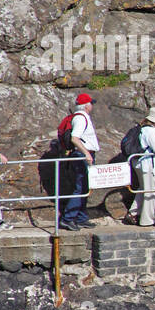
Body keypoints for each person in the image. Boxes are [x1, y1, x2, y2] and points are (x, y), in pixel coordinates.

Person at [60, 93, 99, 230]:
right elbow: (74, 138)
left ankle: (81, 217)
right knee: (80, 188)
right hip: (81, 156)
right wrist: (86, 153)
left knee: (84, 187)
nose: (92, 105)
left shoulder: (82, 117)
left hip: (83, 155)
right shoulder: (81, 119)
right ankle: (67, 218)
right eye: (91, 103)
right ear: (86, 105)